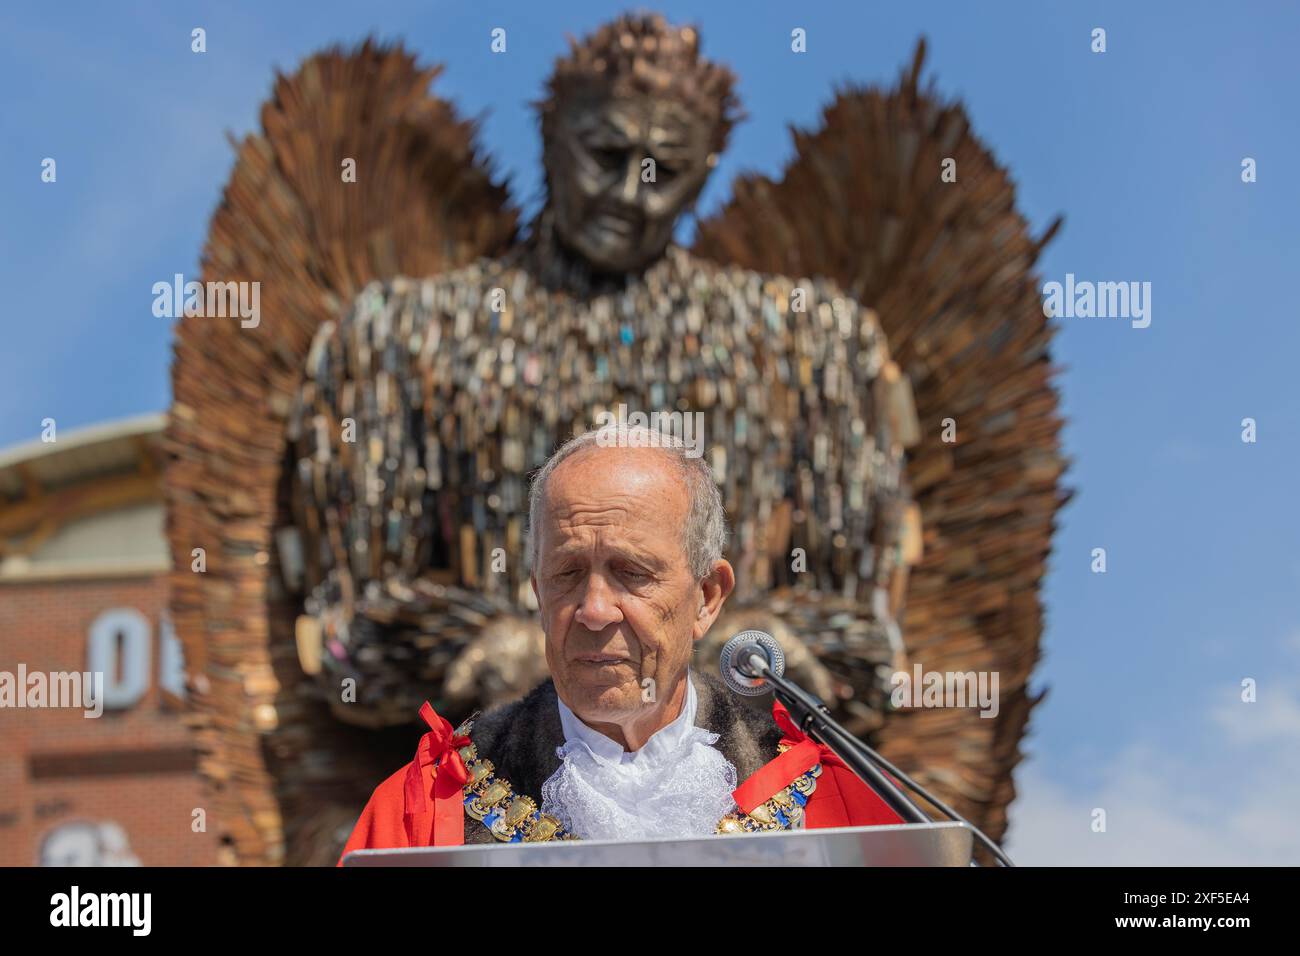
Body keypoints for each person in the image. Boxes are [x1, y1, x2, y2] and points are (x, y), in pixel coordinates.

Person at [337, 424, 905, 862]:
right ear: (537, 591)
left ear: (707, 597)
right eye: (566, 574)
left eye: (631, 573)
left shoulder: (833, 802)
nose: (593, 610)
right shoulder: (425, 809)